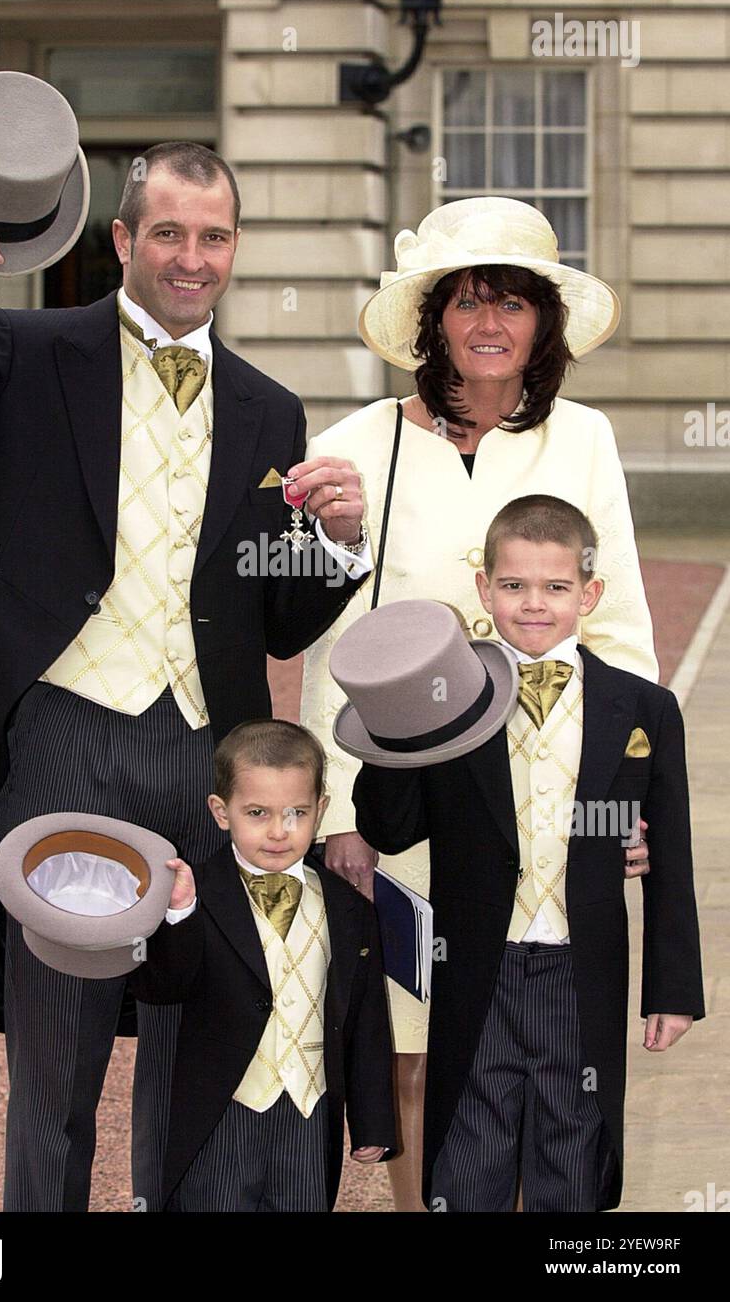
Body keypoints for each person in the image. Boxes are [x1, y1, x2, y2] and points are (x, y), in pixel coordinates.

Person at [0, 125, 374, 1211]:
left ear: (237, 249)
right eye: (171, 232)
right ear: (125, 236)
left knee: (198, 1041)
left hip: (206, 751)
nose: (194, 257)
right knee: (58, 1052)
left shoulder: (271, 409)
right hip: (65, 736)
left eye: (217, 236)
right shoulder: (32, 349)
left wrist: (329, 544)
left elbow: (277, 625)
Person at [299, 196, 656, 1210]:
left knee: (545, 1050)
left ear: (543, 324)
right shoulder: (362, 441)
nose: (489, 324)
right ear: (433, 320)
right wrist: (335, 818)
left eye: (513, 304)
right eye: (467, 302)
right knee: (417, 1044)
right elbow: (333, 640)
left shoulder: (584, 441)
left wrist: (630, 804)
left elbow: (621, 629)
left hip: (544, 810)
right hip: (407, 806)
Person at [350, 494, 705, 1211]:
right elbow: (391, 831)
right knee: (469, 1156)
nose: (533, 604)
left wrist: (671, 988)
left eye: (555, 587)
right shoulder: (450, 699)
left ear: (589, 593)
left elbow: (670, 857)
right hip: (477, 964)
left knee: (573, 1153)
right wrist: (394, 726)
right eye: (512, 585)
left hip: (581, 970)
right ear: (483, 589)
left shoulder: (643, 708)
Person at [129, 718, 396, 1211]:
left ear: (321, 810)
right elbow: (160, 985)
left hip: (309, 1116)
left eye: (296, 812)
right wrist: (178, 915)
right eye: (257, 813)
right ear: (221, 811)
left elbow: (365, 1019)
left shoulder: (350, 908)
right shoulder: (194, 894)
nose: (279, 831)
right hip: (222, 1116)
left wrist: (372, 1119)